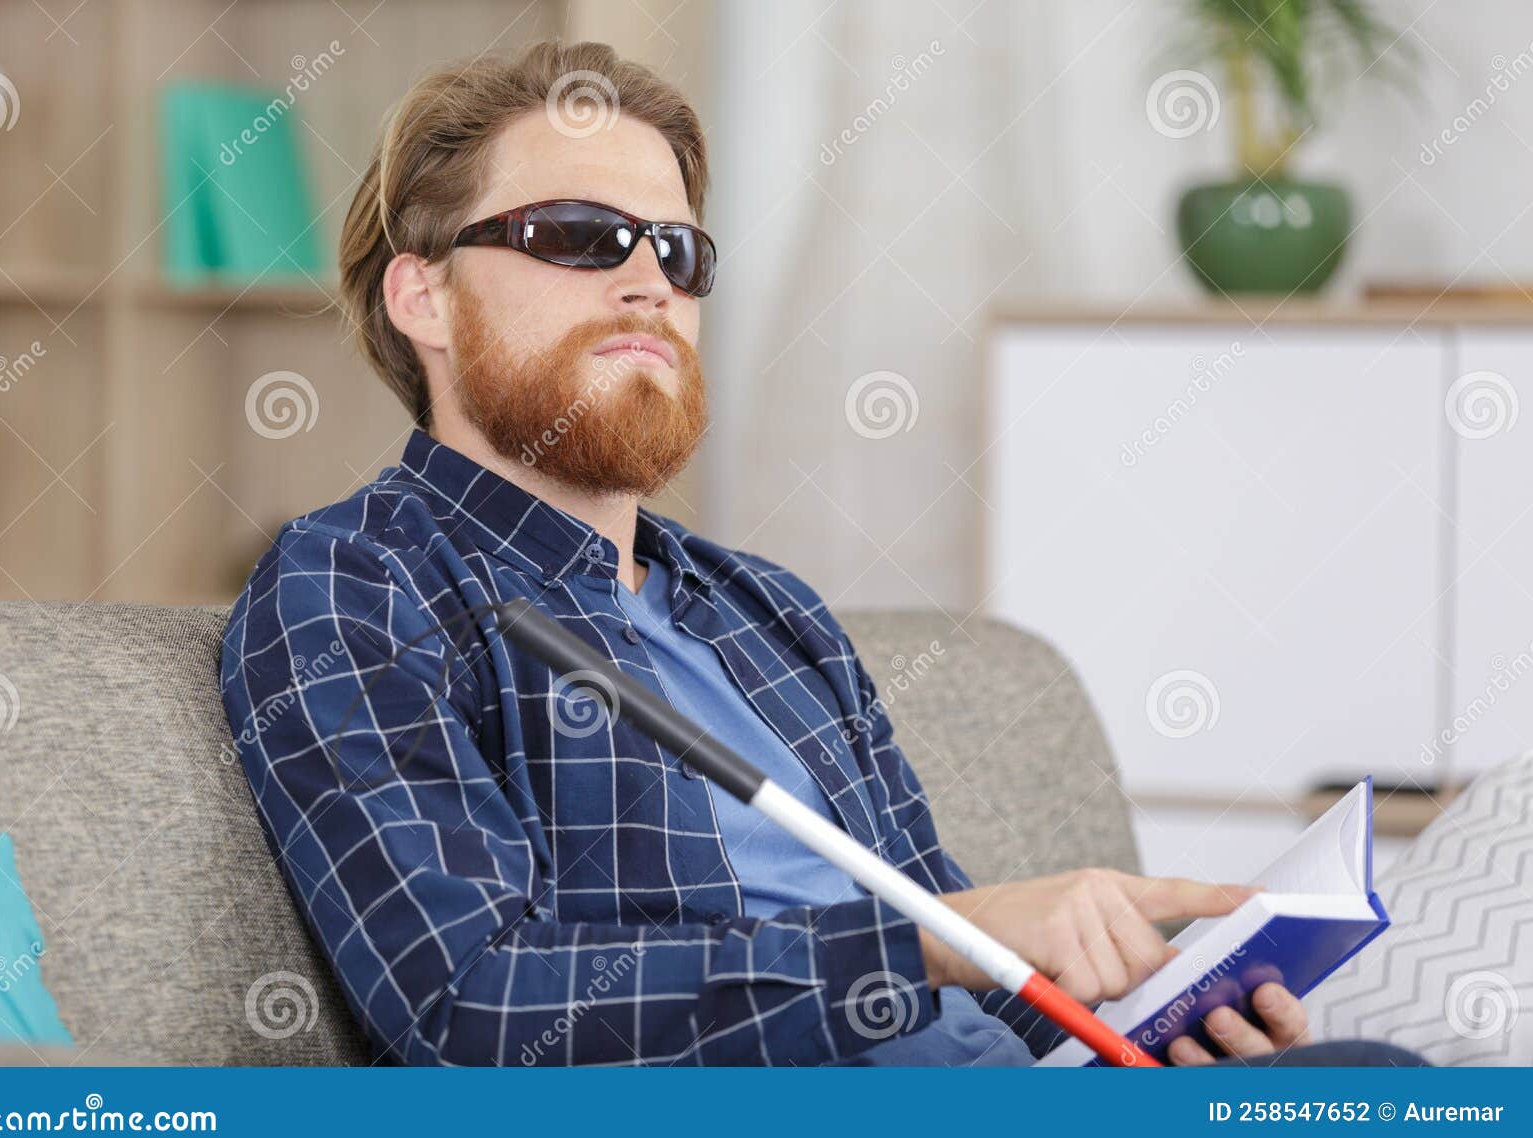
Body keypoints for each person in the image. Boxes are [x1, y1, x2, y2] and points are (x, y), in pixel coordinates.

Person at [220, 40, 1417, 1069]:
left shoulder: (767, 610)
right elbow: (467, 1004)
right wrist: (932, 939)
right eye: (580, 236)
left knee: (1354, 1082)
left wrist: (1154, 1016)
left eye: (678, 253)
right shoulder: (356, 583)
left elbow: (989, 980)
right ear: (420, 297)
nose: (648, 282)